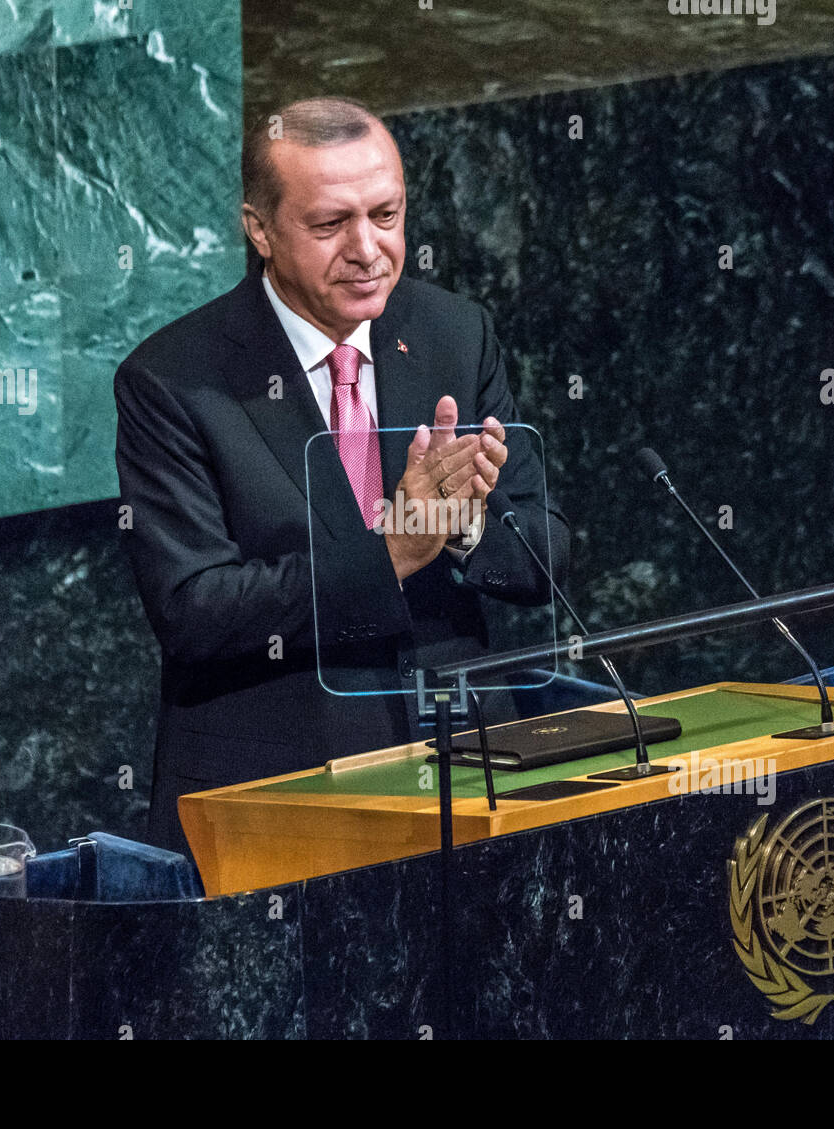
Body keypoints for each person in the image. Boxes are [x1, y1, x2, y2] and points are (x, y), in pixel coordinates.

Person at [115, 97, 569, 854]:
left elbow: (544, 556)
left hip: (464, 775)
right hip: (276, 793)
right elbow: (195, 611)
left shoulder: (454, 333)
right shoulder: (174, 381)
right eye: (330, 225)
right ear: (259, 230)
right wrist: (390, 550)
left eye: (386, 216)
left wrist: (462, 527)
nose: (368, 249)